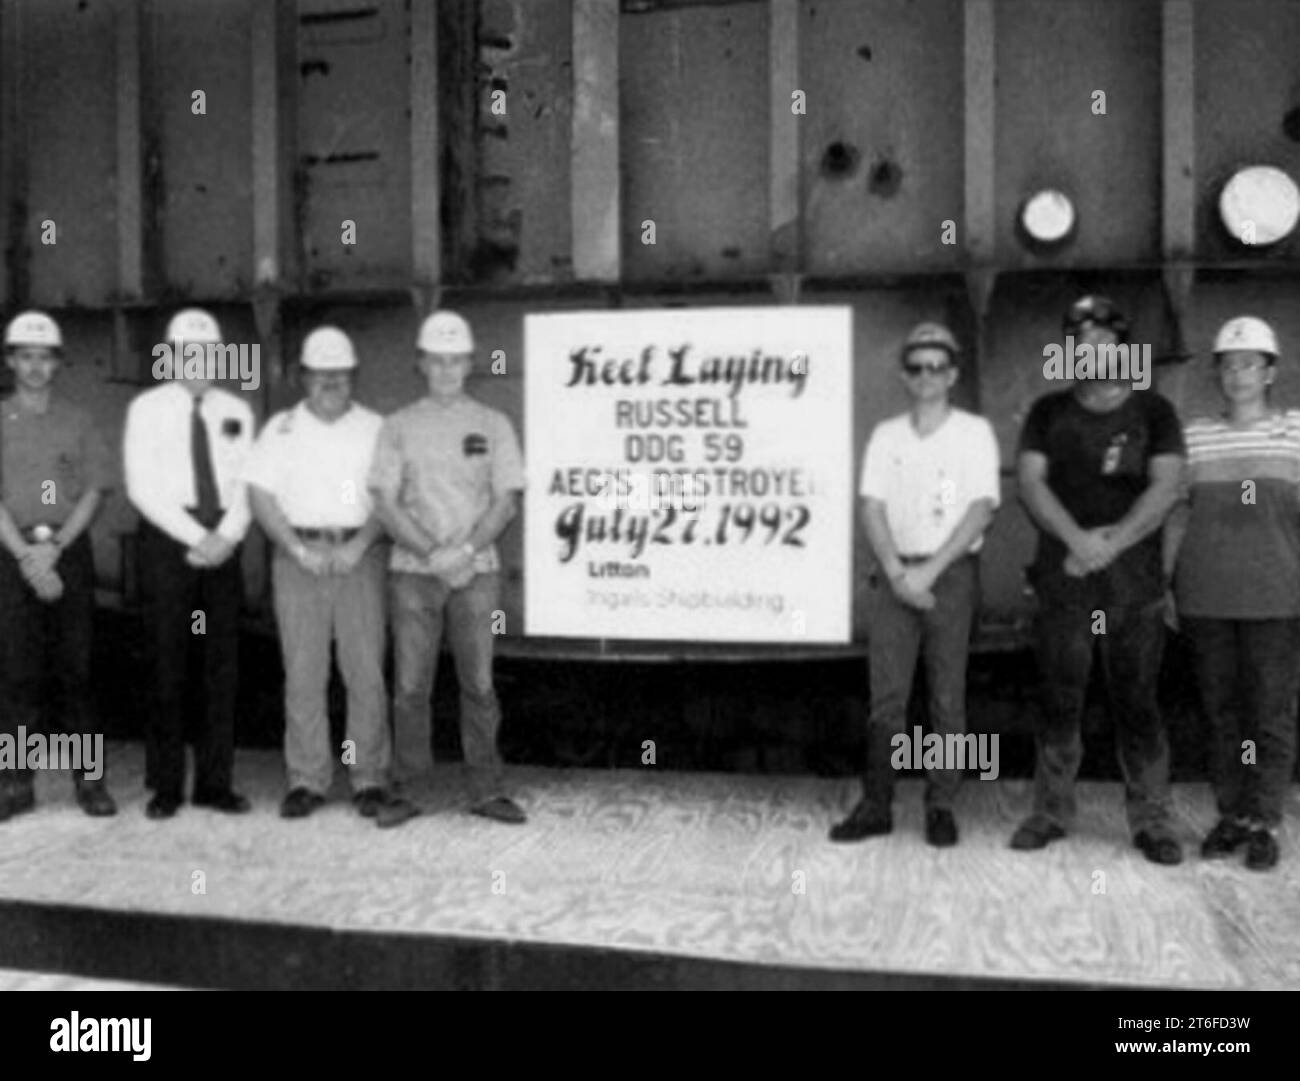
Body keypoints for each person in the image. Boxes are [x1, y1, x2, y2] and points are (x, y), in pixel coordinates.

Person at [1011, 295, 1185, 864]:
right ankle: (1050, 812)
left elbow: (1166, 489)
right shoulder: (1047, 412)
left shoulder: (1154, 412)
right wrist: (1077, 540)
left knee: (1136, 699)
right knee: (1061, 696)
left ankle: (1152, 822)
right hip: (1066, 581)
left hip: (1133, 585)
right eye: (1081, 344)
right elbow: (1033, 485)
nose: (1092, 353)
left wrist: (1109, 542)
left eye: (1104, 344)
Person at [830, 322, 1000, 847]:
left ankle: (942, 804)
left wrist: (929, 572)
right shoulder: (886, 435)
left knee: (948, 698)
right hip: (895, 576)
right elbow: (871, 506)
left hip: (950, 575)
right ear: (906, 376)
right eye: (917, 367)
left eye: (937, 367)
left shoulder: (974, 432)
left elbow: (981, 508)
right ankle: (877, 804)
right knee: (888, 697)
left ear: (952, 374)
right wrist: (898, 573)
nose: (927, 376)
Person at [244, 327, 417, 827]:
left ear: (353, 376)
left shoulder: (376, 428)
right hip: (296, 557)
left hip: (359, 558)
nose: (330, 382)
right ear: (304, 376)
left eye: (339, 374)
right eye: (321, 374)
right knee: (303, 674)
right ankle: (307, 779)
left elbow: (390, 498)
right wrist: (296, 548)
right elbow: (260, 496)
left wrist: (360, 545)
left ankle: (368, 778)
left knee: (364, 672)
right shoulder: (280, 429)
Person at [368, 310, 526, 824]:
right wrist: (435, 554)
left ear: (469, 364)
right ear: (421, 364)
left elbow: (505, 502)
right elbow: (386, 503)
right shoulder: (397, 426)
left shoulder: (493, 424)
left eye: (455, 361)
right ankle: (408, 789)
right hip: (413, 574)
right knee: (412, 687)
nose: (446, 370)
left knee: (478, 684)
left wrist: (462, 554)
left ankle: (487, 788)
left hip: (476, 574)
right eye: (436, 361)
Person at [1165, 316, 1298, 871]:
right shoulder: (1195, 436)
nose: (1238, 374)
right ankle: (1232, 814)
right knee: (1220, 714)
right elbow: (1175, 514)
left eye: (1249, 364)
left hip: (1276, 599)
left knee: (1269, 713)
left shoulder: (1295, 432)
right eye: (1228, 364)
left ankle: (1265, 819)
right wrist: (1166, 586)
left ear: (1270, 372)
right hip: (1205, 599)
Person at [123, 309, 254, 819]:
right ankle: (167, 786)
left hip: (223, 542)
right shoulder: (147, 409)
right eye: (188, 353)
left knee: (219, 666)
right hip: (169, 543)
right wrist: (201, 537)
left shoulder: (237, 410)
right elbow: (142, 486)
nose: (199, 362)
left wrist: (228, 535)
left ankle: (215, 784)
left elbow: (248, 481)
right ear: (172, 357)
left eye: (208, 353)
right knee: (166, 662)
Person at [0, 311, 116, 820]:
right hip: (10, 554)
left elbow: (95, 490)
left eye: (44, 358)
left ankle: (90, 784)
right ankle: (15, 784)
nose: (35, 367)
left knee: (79, 673)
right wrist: (25, 555)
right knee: (16, 675)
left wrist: (57, 548)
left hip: (67, 552)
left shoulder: (79, 420)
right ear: (10, 362)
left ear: (57, 364)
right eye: (25, 356)